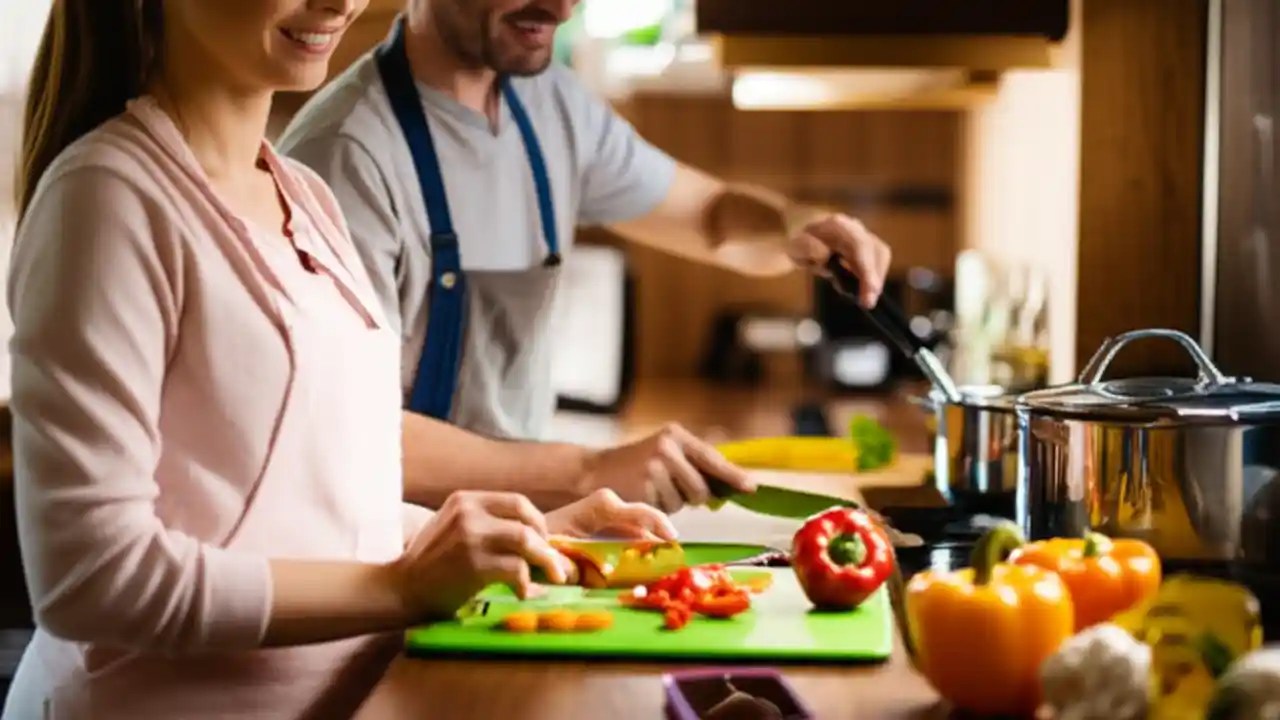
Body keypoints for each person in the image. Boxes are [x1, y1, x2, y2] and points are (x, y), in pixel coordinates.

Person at [3, 1, 675, 718]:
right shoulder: (107, 199)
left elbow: (325, 502)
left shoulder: (303, 194)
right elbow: (91, 581)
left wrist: (520, 540)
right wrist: (401, 588)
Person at [277, 0, 893, 513]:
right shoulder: (345, 155)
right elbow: (346, 432)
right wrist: (587, 469)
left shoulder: (548, 104)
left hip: (510, 532)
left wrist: (793, 224)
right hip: (395, 551)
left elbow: (709, 219)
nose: (561, 5)